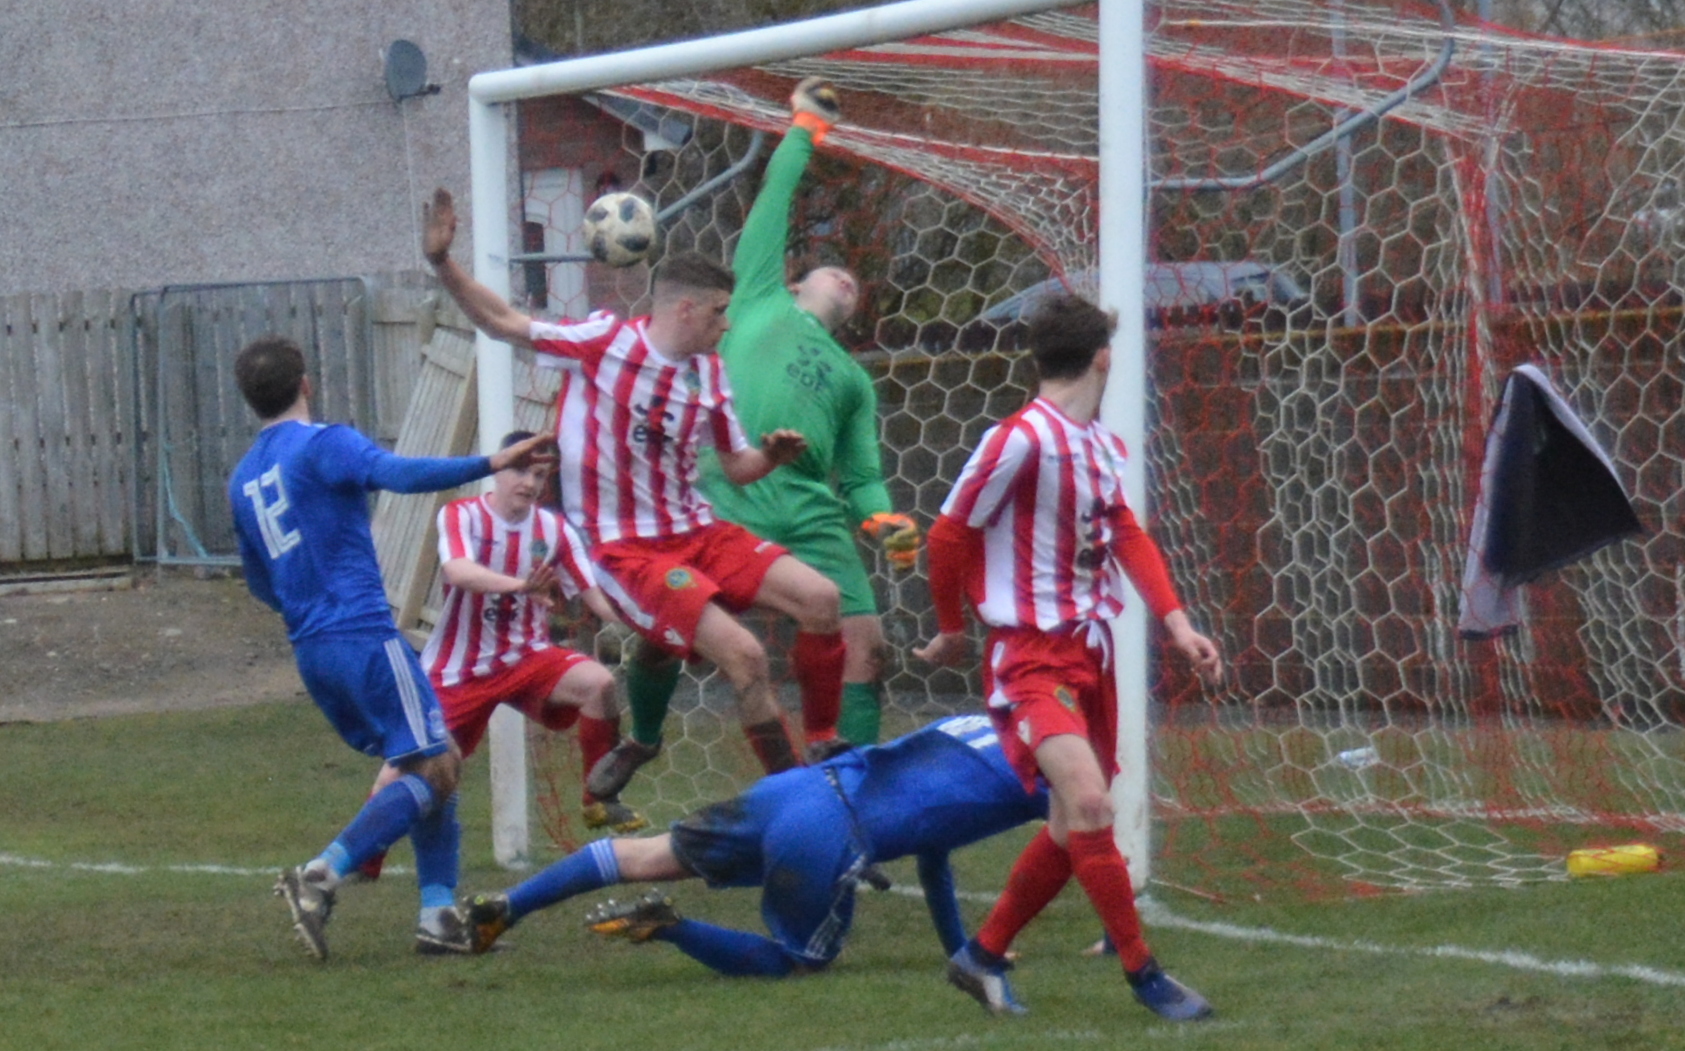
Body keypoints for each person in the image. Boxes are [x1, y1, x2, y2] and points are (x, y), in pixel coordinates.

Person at [424, 192, 841, 780]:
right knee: (745, 656)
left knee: (822, 600)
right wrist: (444, 263)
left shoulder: (709, 371)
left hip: (698, 530)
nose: (728, 326)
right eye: (721, 313)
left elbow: (739, 467)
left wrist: (769, 455)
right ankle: (798, 795)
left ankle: (825, 739)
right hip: (627, 551)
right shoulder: (603, 345)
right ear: (688, 309)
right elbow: (504, 323)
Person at [914, 292, 1224, 1021]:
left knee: (1067, 827)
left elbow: (1126, 535)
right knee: (1089, 802)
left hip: (1089, 657)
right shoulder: (1018, 439)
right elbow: (946, 535)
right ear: (1103, 357)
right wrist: (953, 627)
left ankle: (982, 955)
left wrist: (1177, 624)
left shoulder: (1099, 446)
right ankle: (1145, 973)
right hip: (1029, 657)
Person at [613, 76, 914, 766]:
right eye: (830, 269)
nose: (844, 278)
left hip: (812, 514)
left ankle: (848, 789)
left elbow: (862, 475)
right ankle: (645, 736)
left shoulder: (850, 378)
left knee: (868, 641)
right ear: (792, 283)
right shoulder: (753, 298)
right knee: (668, 632)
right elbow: (774, 200)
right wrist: (803, 129)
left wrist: (880, 520)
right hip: (730, 496)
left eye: (854, 282)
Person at [227, 335, 555, 960]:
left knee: (431, 761)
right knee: (436, 765)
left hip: (314, 650)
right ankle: (322, 874)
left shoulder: (243, 478)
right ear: (307, 384)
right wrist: (492, 463)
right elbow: (397, 474)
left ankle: (436, 917)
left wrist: (309, 605)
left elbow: (259, 582)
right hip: (364, 636)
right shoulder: (323, 443)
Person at [444, 714, 1048, 977]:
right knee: (800, 961)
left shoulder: (976, 721)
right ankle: (668, 926)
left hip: (792, 789)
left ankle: (506, 909)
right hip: (829, 830)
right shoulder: (1044, 773)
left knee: (647, 854)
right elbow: (1078, 842)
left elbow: (933, 845)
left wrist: (962, 949)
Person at [357, 430, 646, 882]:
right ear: (500, 470)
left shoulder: (554, 530)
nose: (529, 483)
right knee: (410, 772)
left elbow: (593, 596)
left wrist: (645, 623)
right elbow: (458, 570)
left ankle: (596, 798)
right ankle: (363, 861)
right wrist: (520, 586)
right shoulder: (463, 515)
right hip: (458, 670)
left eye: (539, 474)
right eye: (520, 470)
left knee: (600, 684)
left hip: (526, 657)